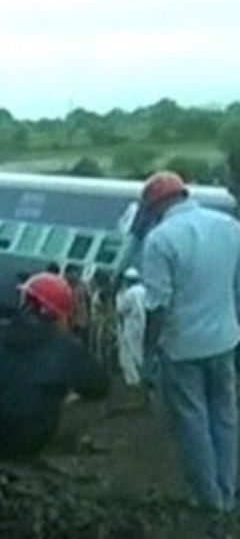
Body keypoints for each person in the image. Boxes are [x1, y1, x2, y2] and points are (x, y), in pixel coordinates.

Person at [138, 171, 240, 511]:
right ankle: (228, 490)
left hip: (182, 348)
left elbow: (158, 306)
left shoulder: (160, 240)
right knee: (226, 416)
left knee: (193, 421)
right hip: (225, 340)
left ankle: (209, 499)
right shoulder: (229, 226)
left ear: (157, 205)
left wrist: (148, 354)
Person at [0, 272, 109, 460]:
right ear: (57, 315)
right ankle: (58, 449)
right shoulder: (66, 347)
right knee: (90, 400)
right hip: (35, 435)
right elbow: (101, 387)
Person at [114, 268, 146, 387]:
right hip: (143, 324)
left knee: (128, 352)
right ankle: (143, 376)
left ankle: (133, 380)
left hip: (131, 324)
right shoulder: (144, 291)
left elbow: (121, 310)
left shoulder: (129, 293)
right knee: (140, 350)